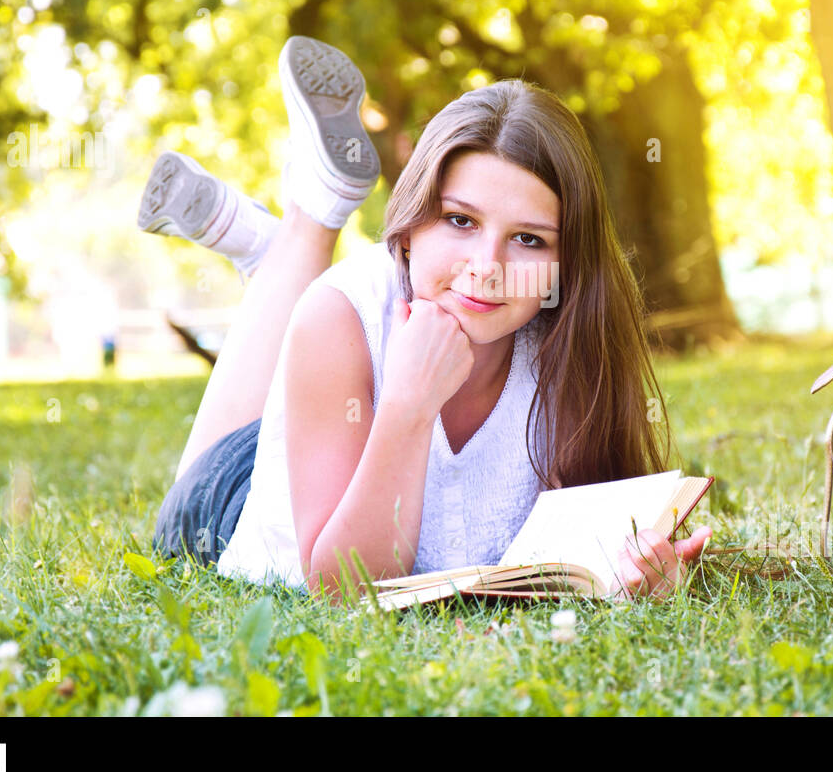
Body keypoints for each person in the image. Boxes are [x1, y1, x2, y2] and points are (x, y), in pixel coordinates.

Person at [144, 36, 711, 599]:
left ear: (567, 260)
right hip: (235, 490)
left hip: (324, 417)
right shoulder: (339, 312)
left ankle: (270, 255)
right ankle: (306, 225)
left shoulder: (571, 335)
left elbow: (592, 545)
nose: (488, 268)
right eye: (460, 221)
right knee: (225, 439)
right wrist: (408, 406)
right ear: (410, 227)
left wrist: (645, 568)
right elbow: (343, 589)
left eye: (529, 239)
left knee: (292, 295)